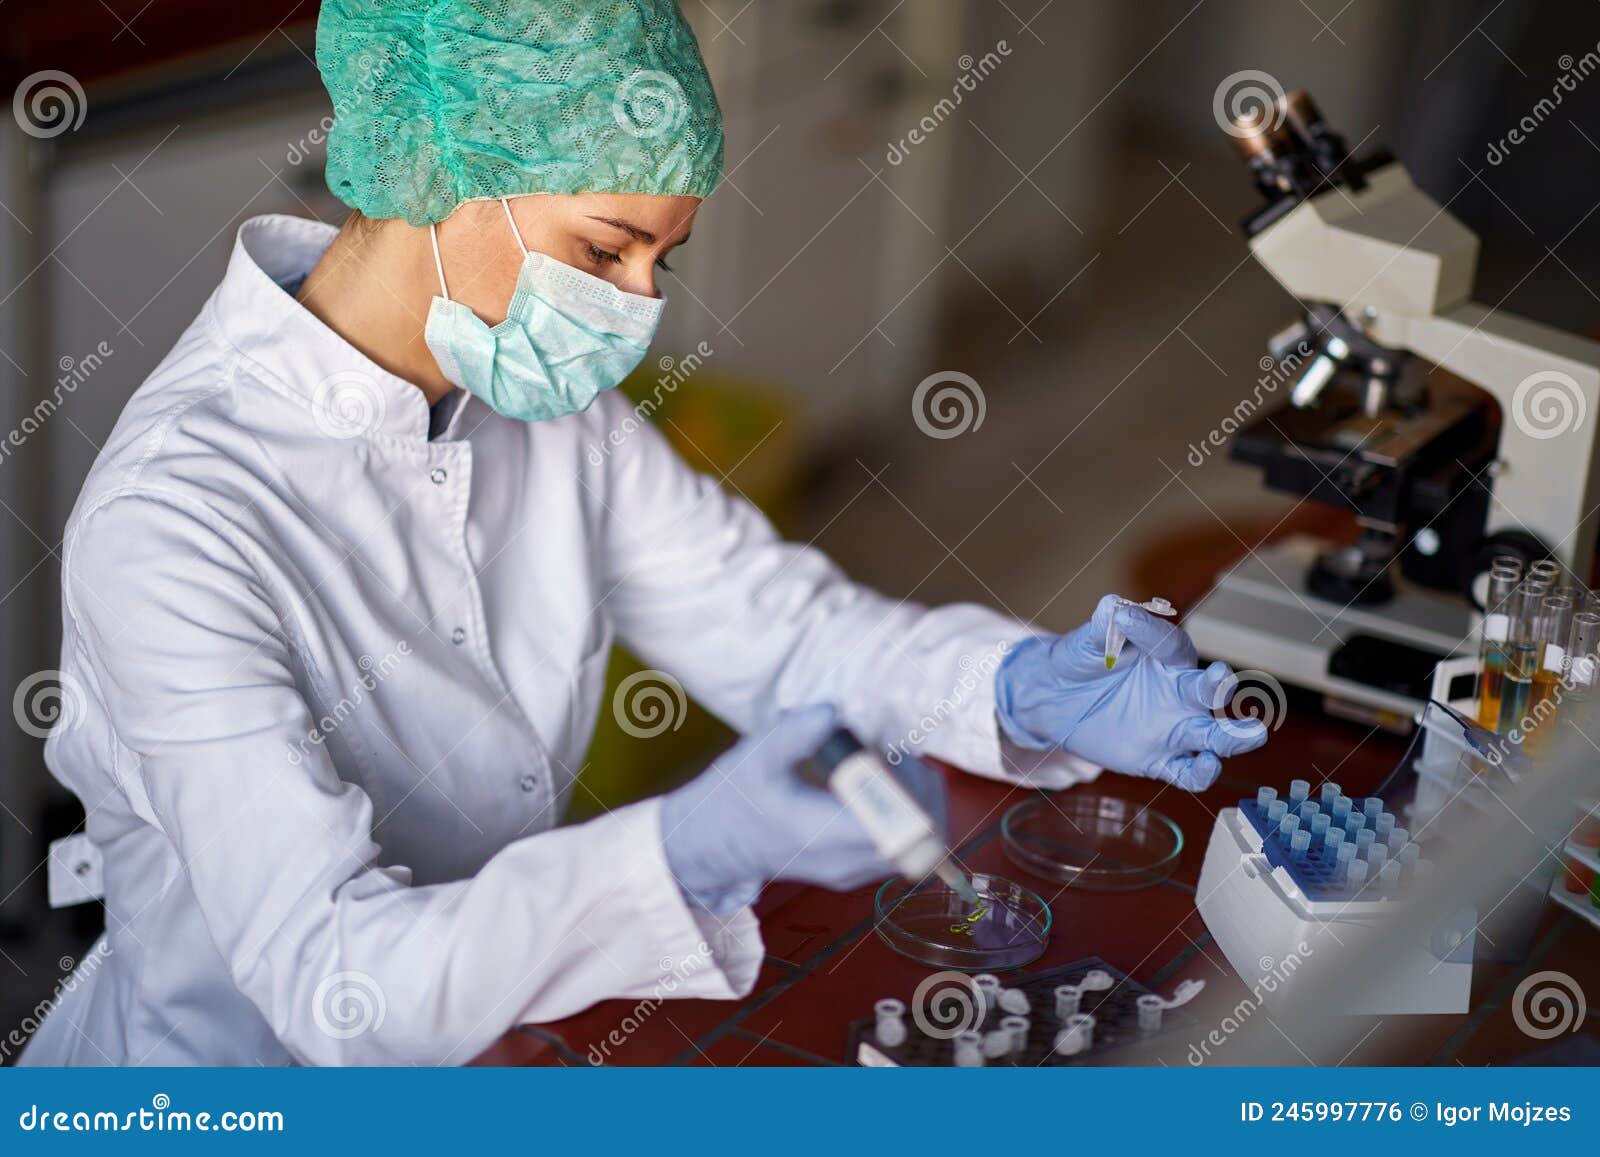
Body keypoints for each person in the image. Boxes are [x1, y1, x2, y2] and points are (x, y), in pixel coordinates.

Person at [21, 0, 1265, 1066]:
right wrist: (678, 847)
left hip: (504, 1031)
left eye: (660, 258)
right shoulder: (176, 521)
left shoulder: (535, 403)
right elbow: (335, 978)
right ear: (439, 175)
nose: (637, 310)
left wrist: (1016, 685)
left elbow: (783, 628)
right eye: (604, 248)